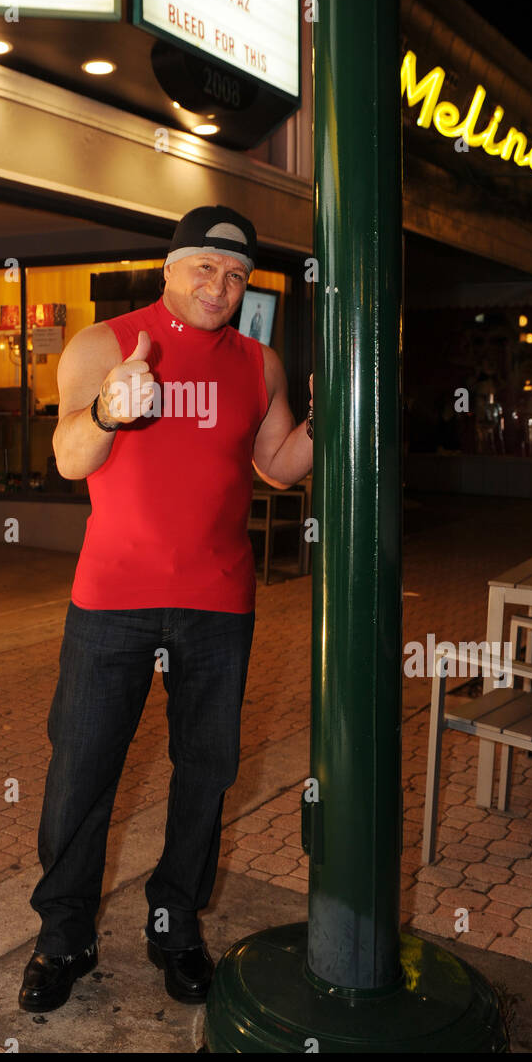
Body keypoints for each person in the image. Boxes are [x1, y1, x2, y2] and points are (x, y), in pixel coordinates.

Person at [19, 205, 314, 1013]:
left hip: (218, 600)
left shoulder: (260, 363)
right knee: (82, 770)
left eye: (235, 276)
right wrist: (112, 409)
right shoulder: (104, 345)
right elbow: (69, 457)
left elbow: (282, 465)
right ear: (170, 268)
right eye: (204, 269)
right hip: (112, 599)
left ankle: (175, 921)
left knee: (205, 771)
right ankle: (63, 935)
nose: (219, 287)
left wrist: (337, 416)